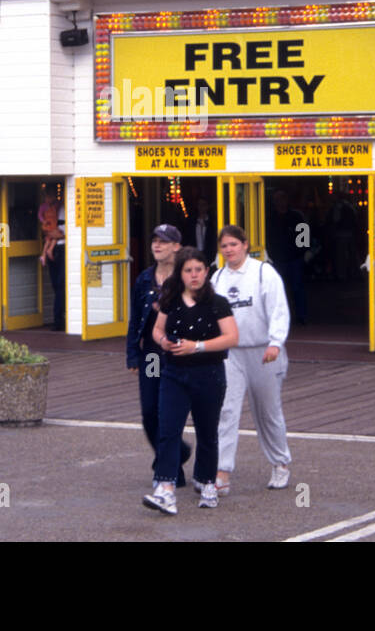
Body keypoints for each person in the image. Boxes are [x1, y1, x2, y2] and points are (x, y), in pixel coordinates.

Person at [142, 248, 238, 515]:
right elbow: (157, 329)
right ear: (180, 274)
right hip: (174, 374)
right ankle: (165, 488)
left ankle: (207, 481)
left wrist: (197, 346)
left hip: (209, 374)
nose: (194, 275)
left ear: (206, 272)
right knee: (168, 429)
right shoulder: (170, 300)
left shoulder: (217, 303)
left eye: (199, 270)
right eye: (188, 270)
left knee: (207, 431)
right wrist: (163, 342)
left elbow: (231, 337)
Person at [212, 224, 292, 494]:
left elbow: (279, 309)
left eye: (234, 244)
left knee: (267, 413)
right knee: (226, 411)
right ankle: (222, 472)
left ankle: (280, 463)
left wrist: (275, 342)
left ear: (245, 244)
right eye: (224, 246)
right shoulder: (218, 278)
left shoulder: (263, 272)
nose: (229, 250)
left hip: (263, 353)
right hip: (231, 354)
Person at [127, 224, 192, 488]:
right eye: (154, 240)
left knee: (169, 413)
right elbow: (135, 319)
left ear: (176, 247)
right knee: (150, 413)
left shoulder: (187, 277)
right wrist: (132, 353)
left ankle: (170, 469)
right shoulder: (144, 278)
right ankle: (179, 454)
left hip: (178, 352)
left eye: (164, 242)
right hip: (152, 355)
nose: (157, 245)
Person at [267, 189, 308, 325]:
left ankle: (301, 316)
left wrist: (302, 254)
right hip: (277, 259)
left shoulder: (297, 216)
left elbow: (304, 237)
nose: (280, 202)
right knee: (279, 290)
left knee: (298, 288)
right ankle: (281, 319)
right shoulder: (269, 218)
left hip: (295, 258)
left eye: (282, 198)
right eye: (277, 199)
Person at [38, 194, 66, 330]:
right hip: (57, 249)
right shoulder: (55, 210)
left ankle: (58, 320)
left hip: (62, 248)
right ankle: (59, 318)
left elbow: (62, 232)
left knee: (60, 285)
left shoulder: (63, 209)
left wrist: (54, 234)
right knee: (56, 285)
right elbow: (50, 230)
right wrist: (51, 233)